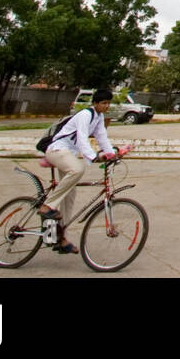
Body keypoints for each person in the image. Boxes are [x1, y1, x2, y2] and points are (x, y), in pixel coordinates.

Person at [40, 88, 118, 255]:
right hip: (57, 150)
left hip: (68, 154)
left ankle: (61, 239)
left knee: (69, 197)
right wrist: (93, 156)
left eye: (108, 103)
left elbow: (102, 137)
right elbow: (82, 138)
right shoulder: (85, 115)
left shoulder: (99, 118)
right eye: (104, 103)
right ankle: (47, 206)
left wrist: (111, 153)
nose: (106, 106)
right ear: (95, 103)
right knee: (78, 169)